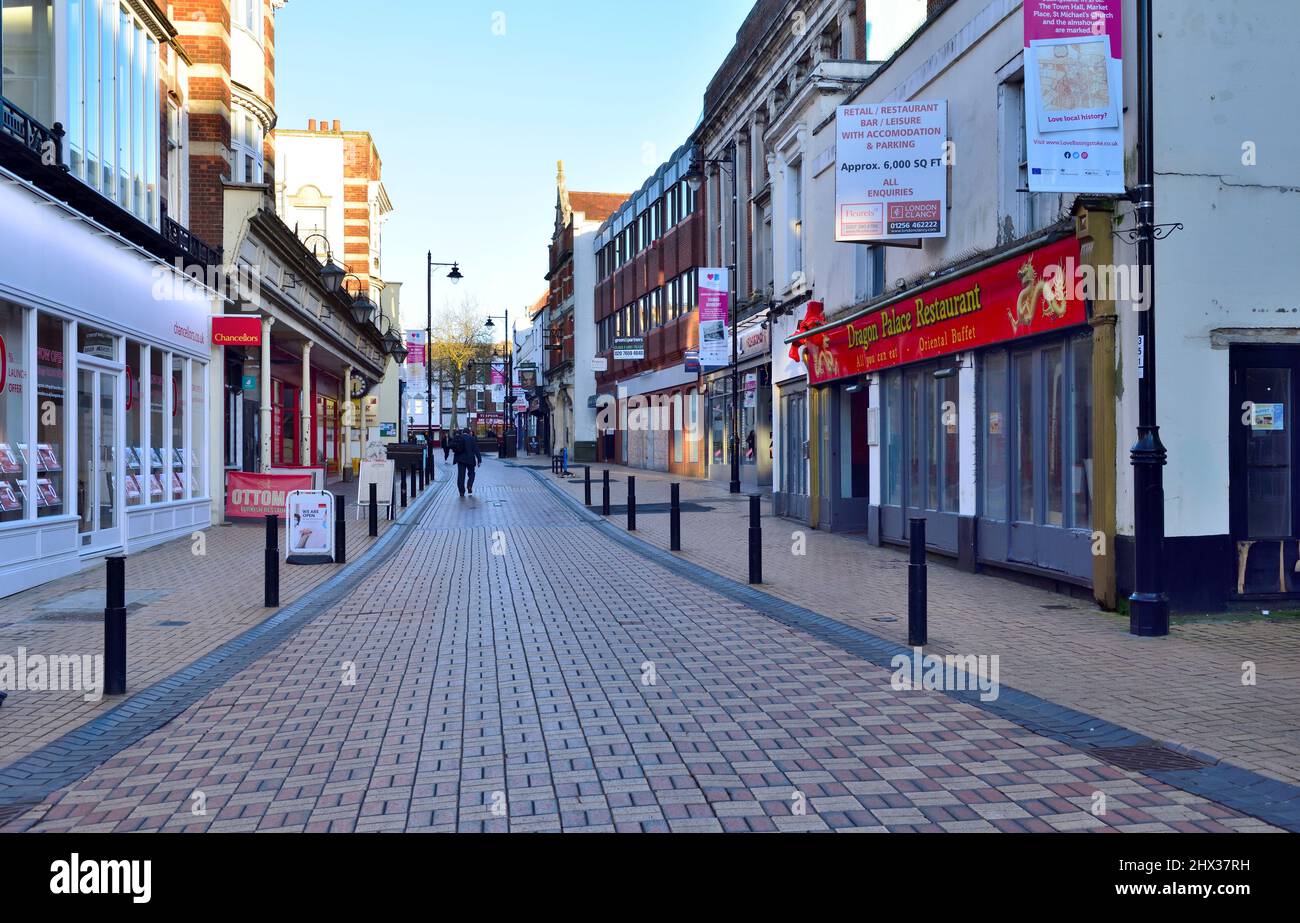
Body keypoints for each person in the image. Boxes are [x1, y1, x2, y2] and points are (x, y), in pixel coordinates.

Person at [451, 427, 483, 497]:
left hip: (460, 460)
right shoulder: (472, 439)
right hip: (470, 459)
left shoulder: (459, 437)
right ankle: (469, 485)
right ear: (469, 432)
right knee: (471, 473)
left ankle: (461, 492)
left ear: (463, 432)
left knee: (461, 476)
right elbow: (476, 450)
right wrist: (479, 460)